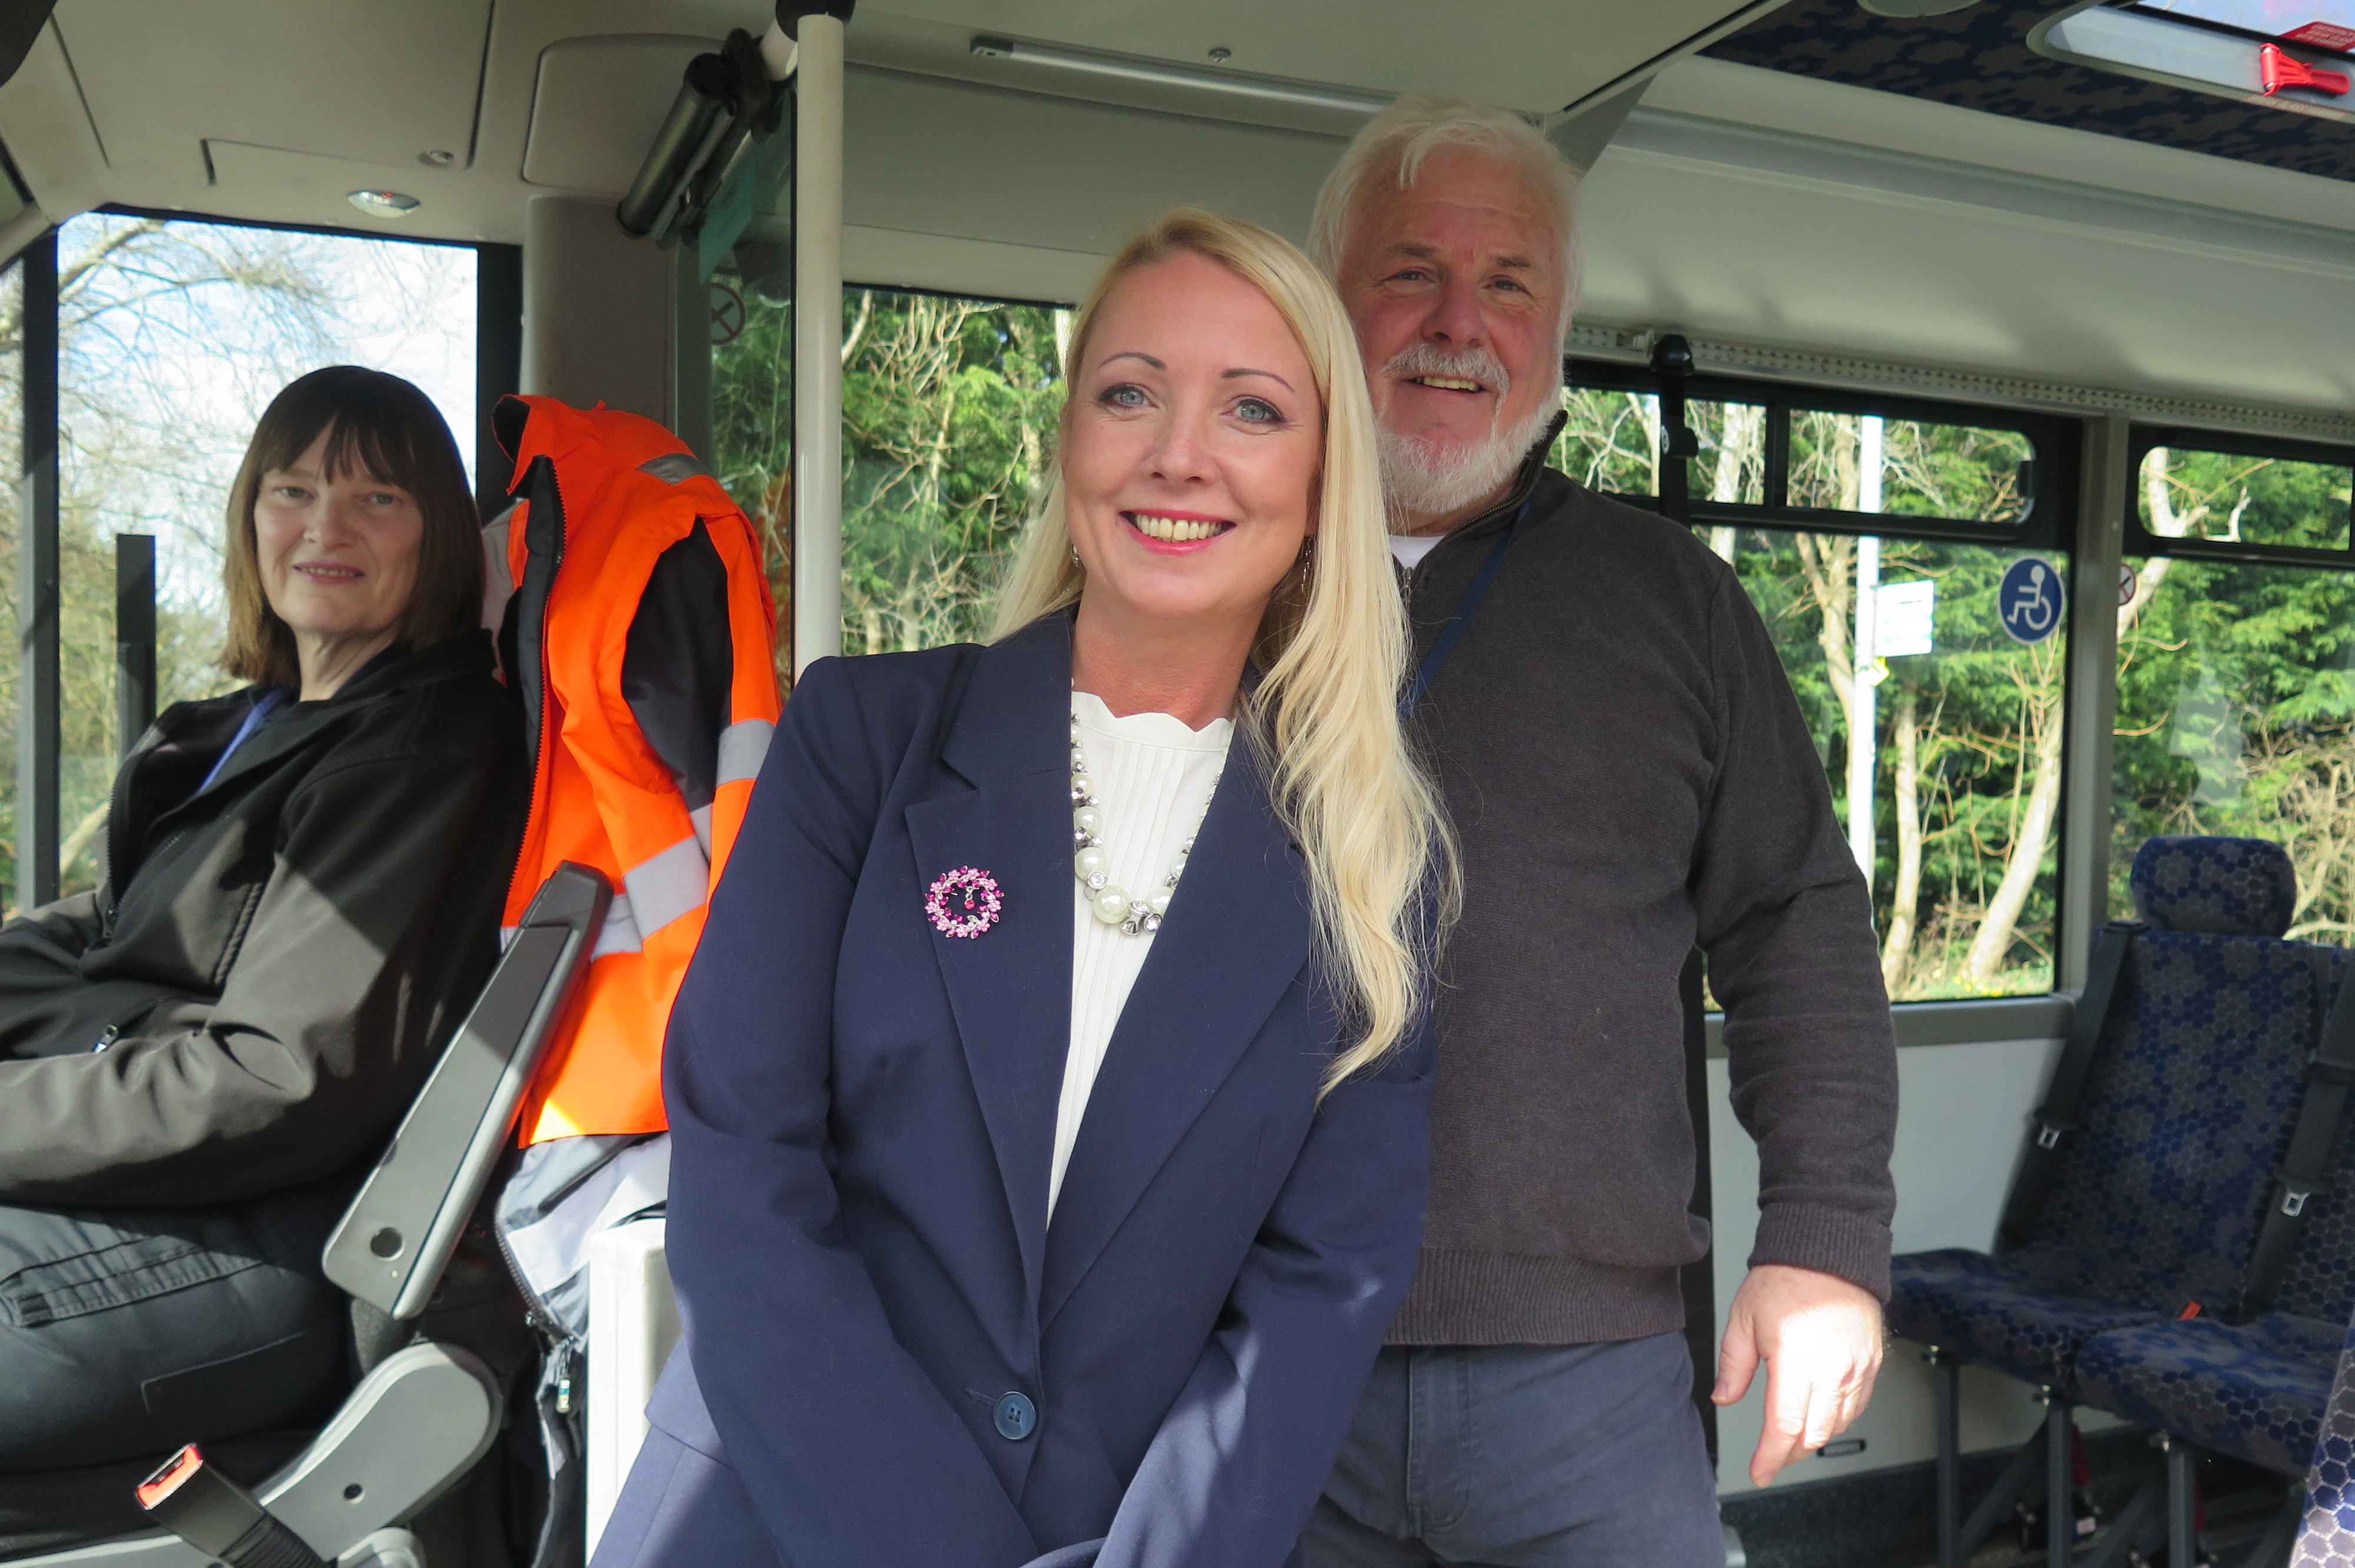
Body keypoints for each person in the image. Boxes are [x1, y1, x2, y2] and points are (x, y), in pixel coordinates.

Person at [592, 209, 1449, 1568]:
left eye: (1252, 409)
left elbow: (1310, 1309)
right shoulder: (862, 739)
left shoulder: (1371, 870)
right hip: (765, 1520)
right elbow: (744, 1172)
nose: (1180, 453)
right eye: (1129, 394)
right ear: (1069, 441)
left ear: (1324, 476)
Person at [1299, 99, 1901, 1565]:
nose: (1456, 323)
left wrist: (1822, 1241)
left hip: (1587, 1378)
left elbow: (1794, 927)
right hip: (1253, 1351)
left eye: (1507, 285)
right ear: (1321, 302)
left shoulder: (1673, 599)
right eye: (1408, 272)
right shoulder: (1212, 570)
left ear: (1556, 331)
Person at [0, 366, 528, 1472]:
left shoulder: (424, 750)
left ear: (436, 538)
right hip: (156, 1196)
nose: (324, 527)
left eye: (378, 499)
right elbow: (107, 934)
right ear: (250, 516)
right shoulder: (245, 728)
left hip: (275, 1241)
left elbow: (272, 1081)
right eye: (292, 490)